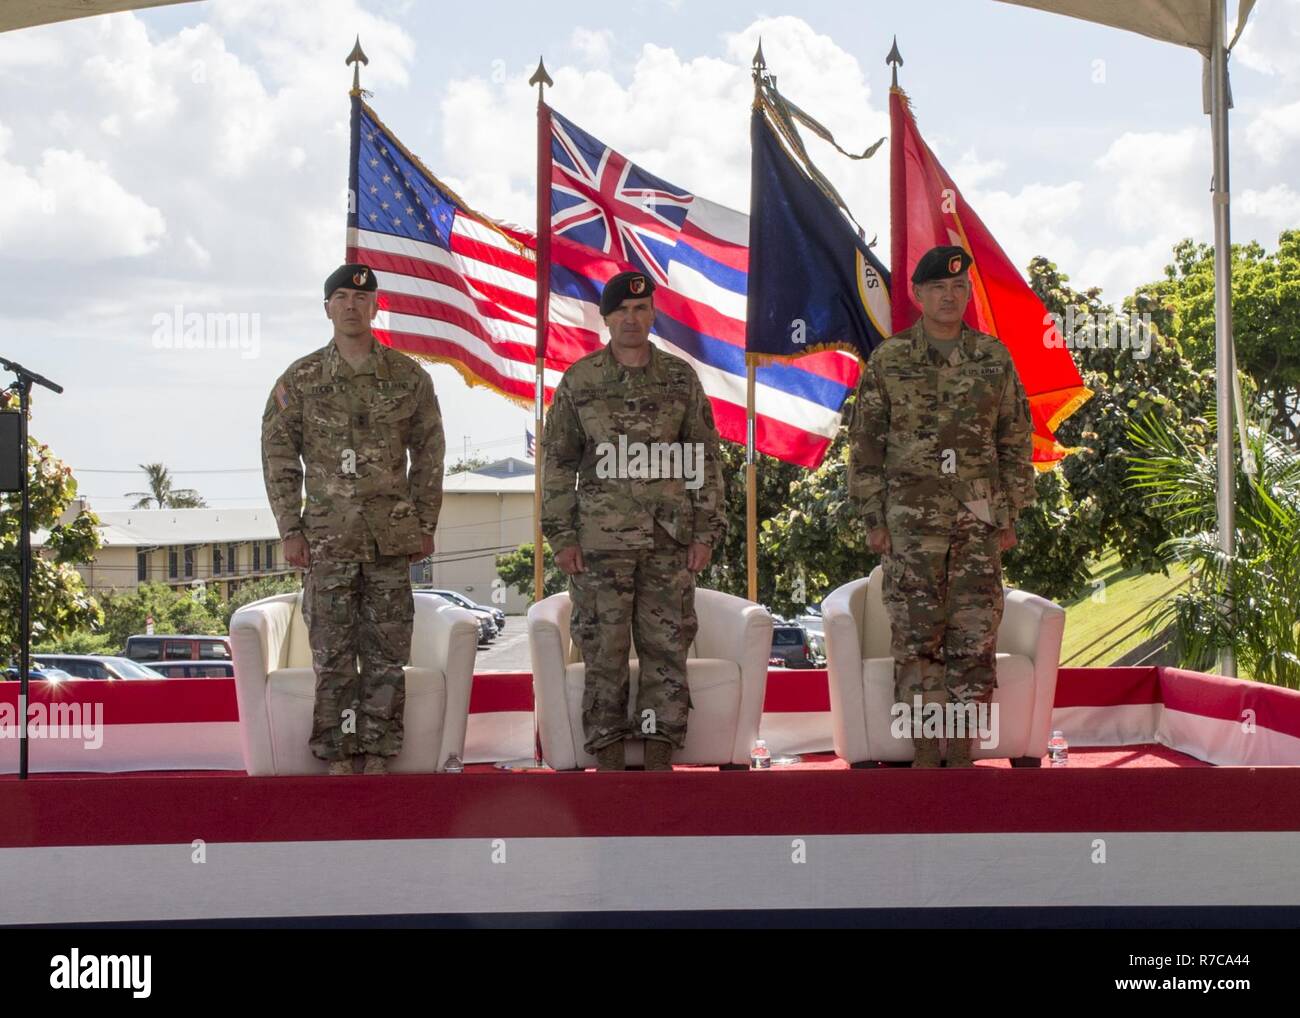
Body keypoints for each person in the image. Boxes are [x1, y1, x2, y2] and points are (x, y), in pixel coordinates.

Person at [847, 245, 1035, 768]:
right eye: (938, 288)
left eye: (958, 288)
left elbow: (1016, 440)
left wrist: (1009, 513)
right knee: (915, 631)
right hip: (910, 522)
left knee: (974, 631)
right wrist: (873, 520)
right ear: (917, 294)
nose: (950, 297)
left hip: (978, 520)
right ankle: (927, 744)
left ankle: (965, 745)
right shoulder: (890, 360)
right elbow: (865, 444)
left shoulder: (993, 358)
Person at [261, 263, 444, 775]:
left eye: (360, 298)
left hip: (390, 541)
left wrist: (424, 523)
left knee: (386, 655)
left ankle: (381, 753)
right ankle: (342, 754)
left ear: (375, 306)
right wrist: (289, 530)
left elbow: (430, 455)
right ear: (327, 308)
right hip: (326, 542)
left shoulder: (409, 378)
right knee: (334, 657)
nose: (350, 306)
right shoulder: (299, 380)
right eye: (340, 297)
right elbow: (278, 456)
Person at [542, 270, 727, 771]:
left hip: (669, 541)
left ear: (652, 315)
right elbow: (557, 462)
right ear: (605, 319)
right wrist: (561, 535)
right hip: (599, 543)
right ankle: (606, 747)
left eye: (640, 309)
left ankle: (660, 744)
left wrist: (706, 531)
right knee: (603, 646)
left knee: (666, 645)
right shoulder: (580, 381)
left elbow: (704, 458)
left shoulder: (679, 379)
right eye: (621, 310)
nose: (631, 318)